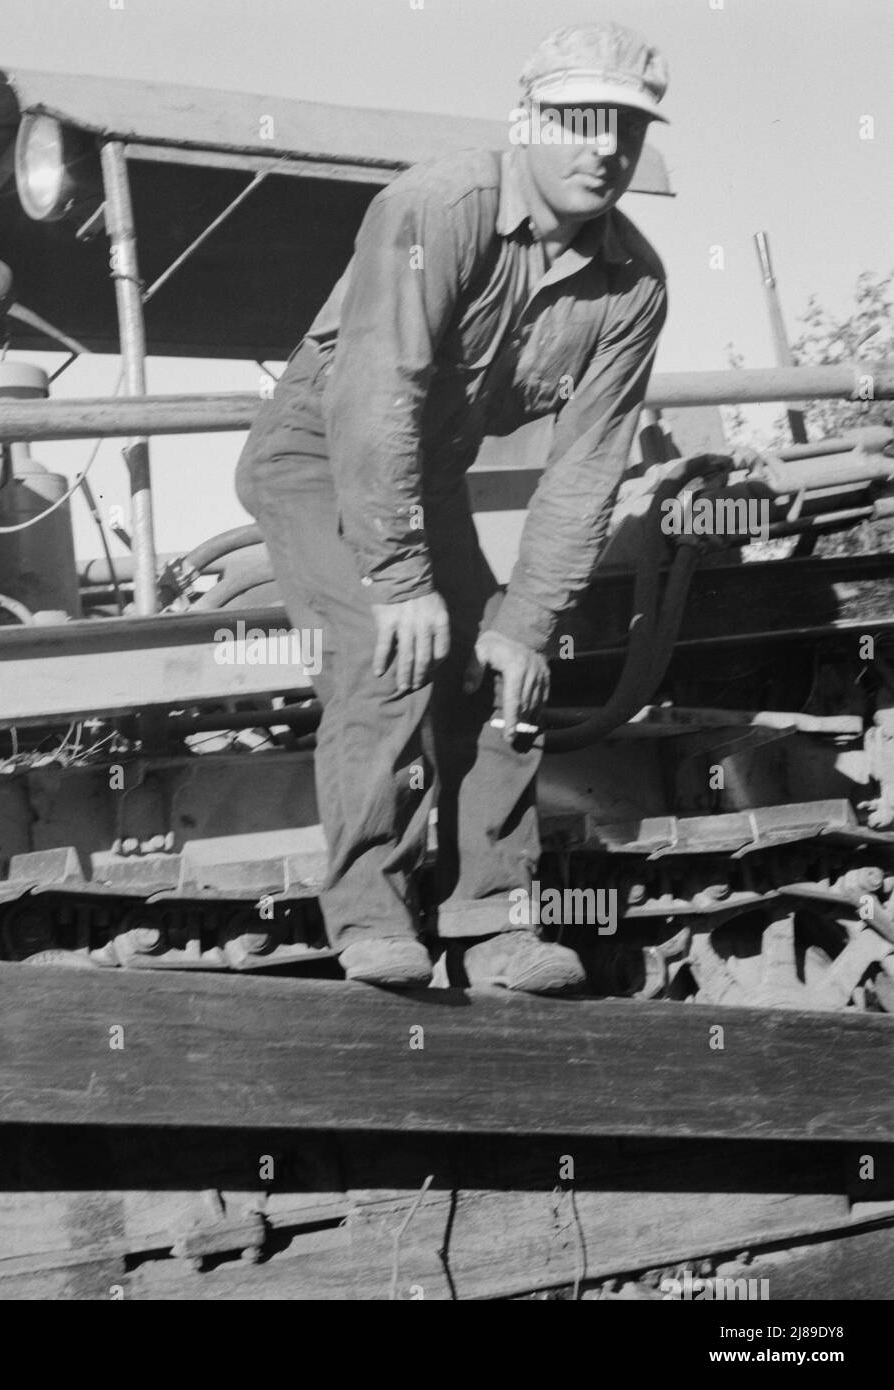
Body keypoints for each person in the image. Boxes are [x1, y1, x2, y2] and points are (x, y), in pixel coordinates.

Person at [234, 23, 670, 989]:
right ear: (525, 121)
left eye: (629, 129)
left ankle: (495, 922)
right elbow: (375, 393)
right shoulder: (437, 206)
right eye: (582, 121)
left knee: (505, 670)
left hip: (419, 478)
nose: (607, 148)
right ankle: (369, 919)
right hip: (316, 454)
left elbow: (587, 467)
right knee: (389, 655)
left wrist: (526, 620)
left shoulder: (632, 285)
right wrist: (397, 582)